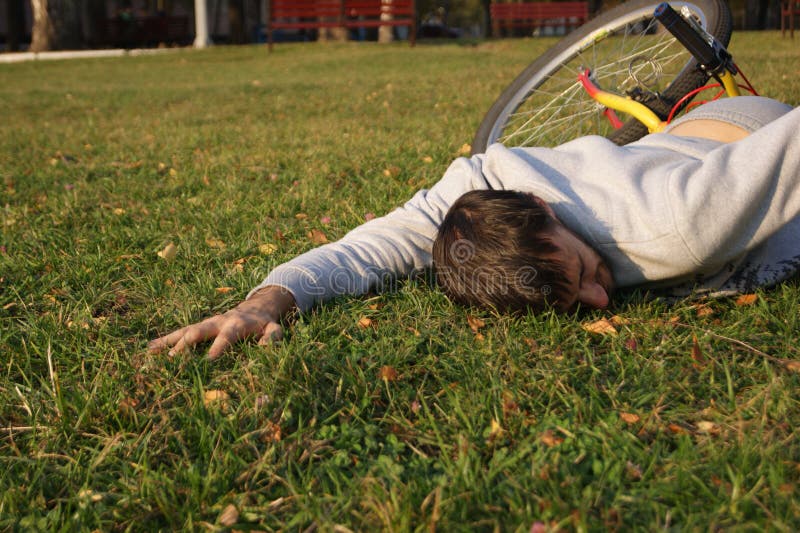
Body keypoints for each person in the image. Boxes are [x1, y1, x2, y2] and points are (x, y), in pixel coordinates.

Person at [149, 96, 800, 359]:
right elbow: (362, 251)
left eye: (580, 273)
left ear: (542, 209)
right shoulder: (468, 195)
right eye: (577, 298)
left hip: (742, 127)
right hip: (672, 146)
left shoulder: (679, 224)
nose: (602, 299)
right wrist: (264, 302)